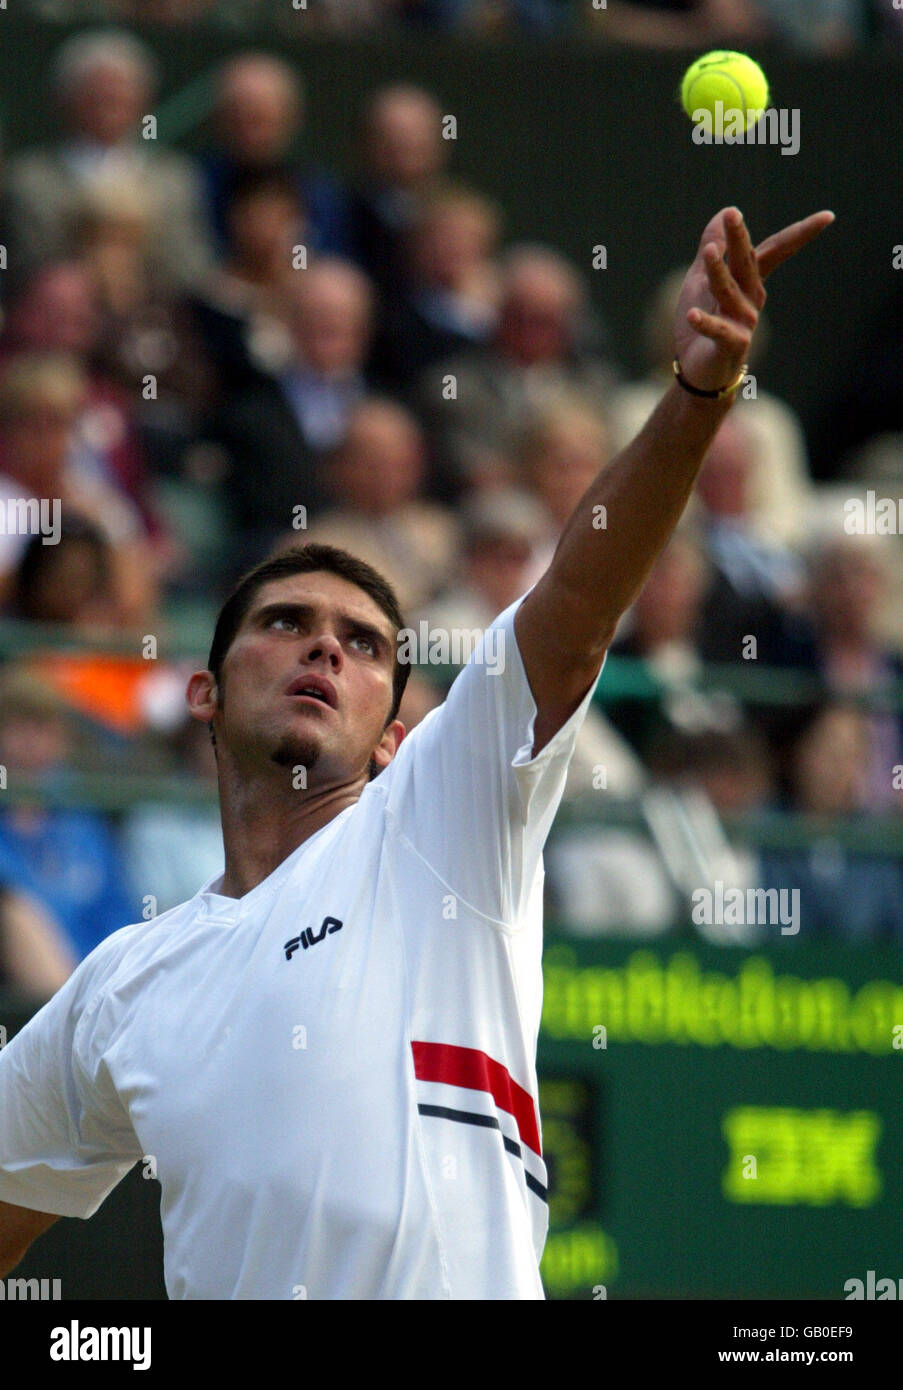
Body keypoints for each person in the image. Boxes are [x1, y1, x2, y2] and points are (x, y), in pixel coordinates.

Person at [0, 205, 834, 1297]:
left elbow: (577, 600)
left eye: (362, 644)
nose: (323, 650)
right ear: (204, 693)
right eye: (285, 623)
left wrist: (693, 398)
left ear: (399, 736)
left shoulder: (442, 817)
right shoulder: (121, 984)